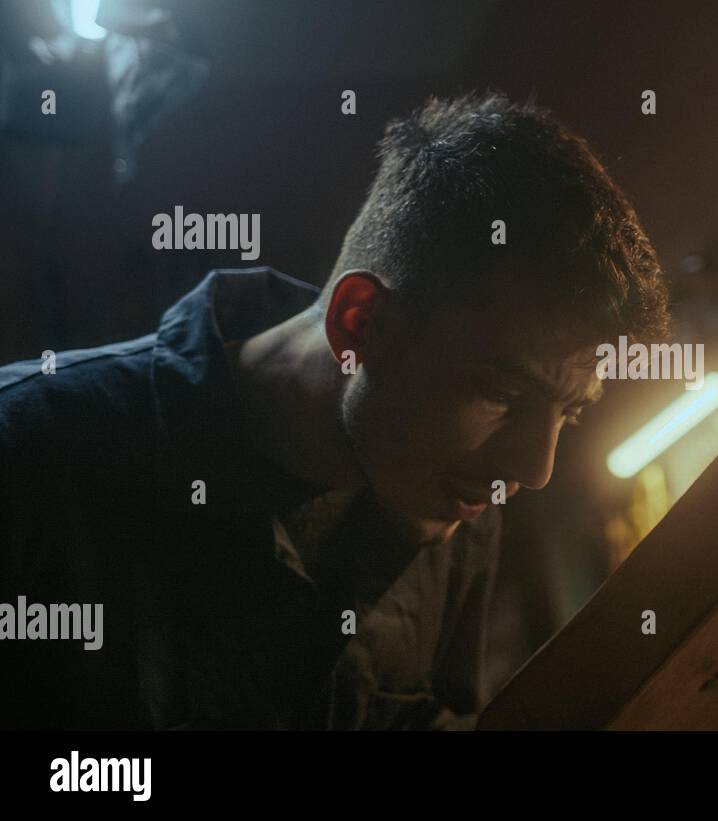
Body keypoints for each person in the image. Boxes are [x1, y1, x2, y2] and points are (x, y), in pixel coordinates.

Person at [0, 91, 671, 729]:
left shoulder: (459, 505)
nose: (536, 467)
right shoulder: (32, 450)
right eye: (501, 394)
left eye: (571, 413)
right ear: (361, 323)